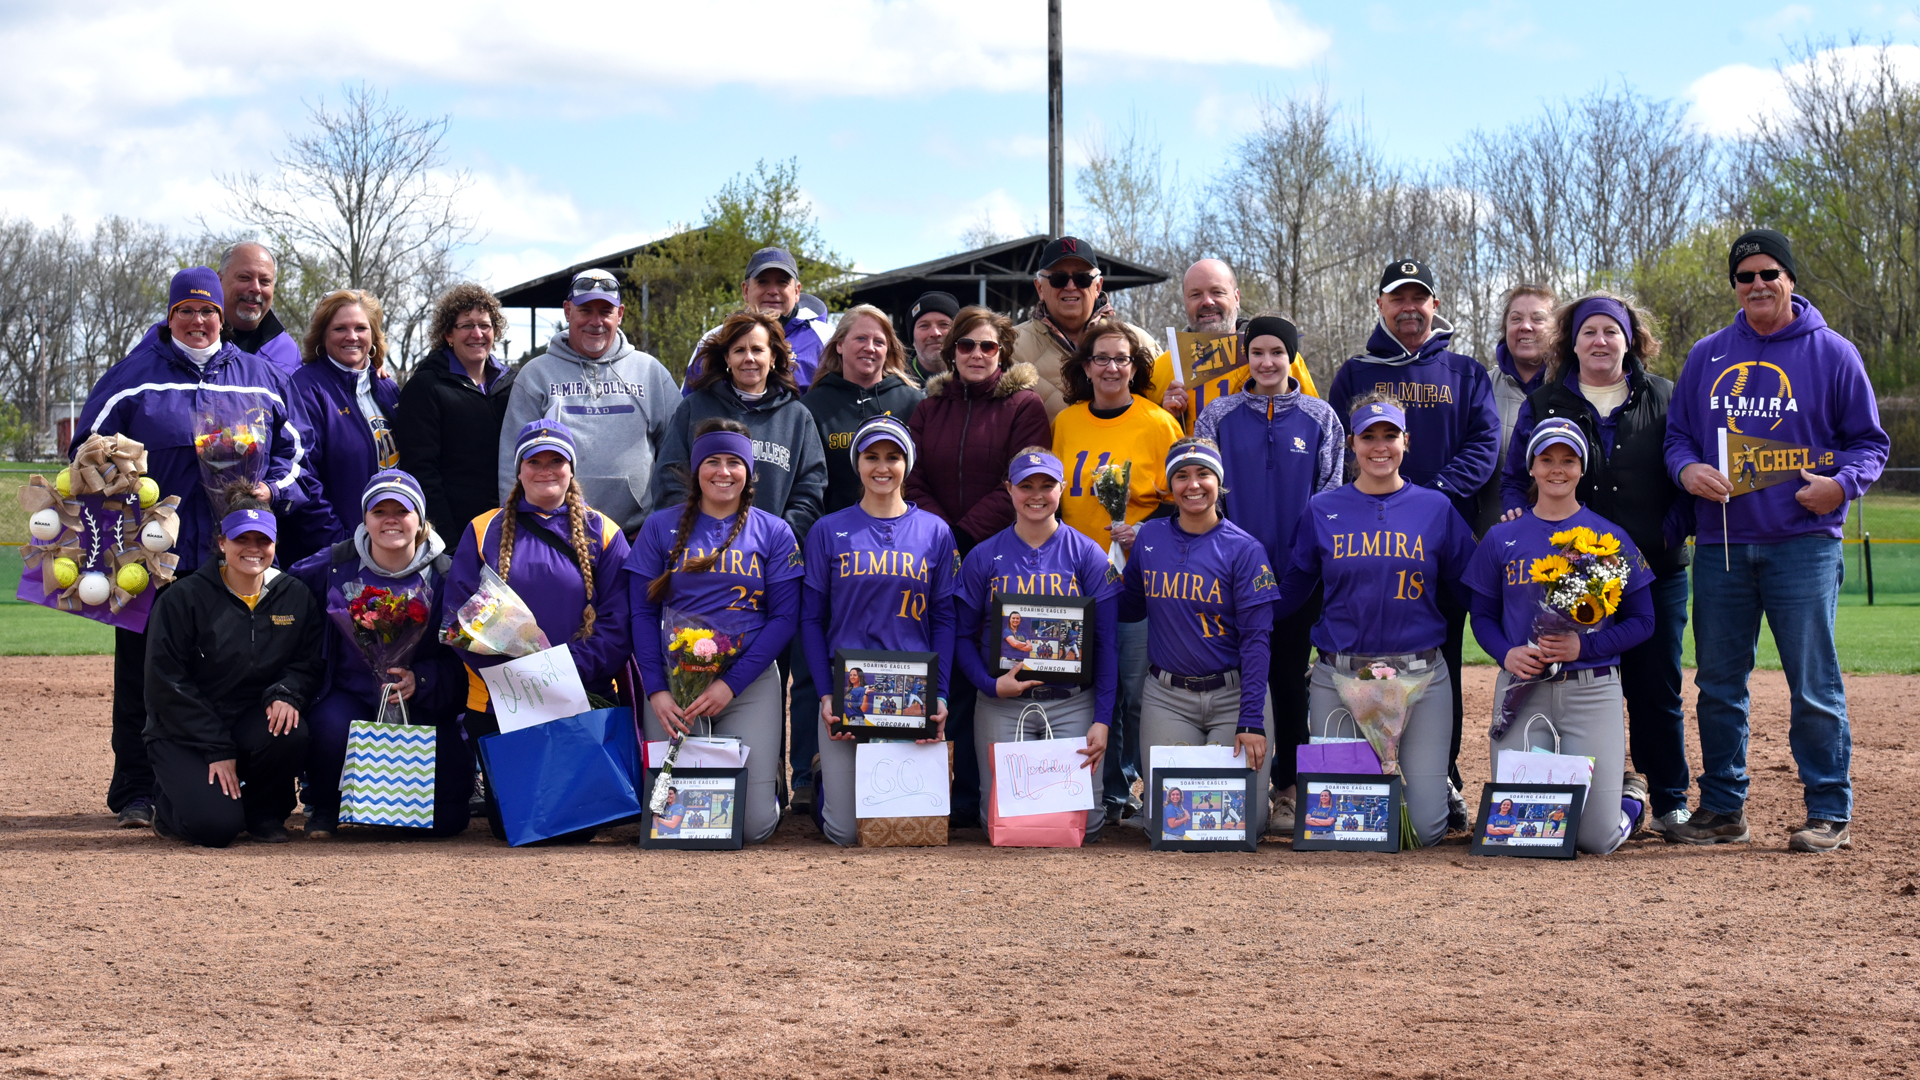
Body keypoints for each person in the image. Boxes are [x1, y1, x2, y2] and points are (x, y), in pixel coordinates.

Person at [1664, 229, 1890, 852]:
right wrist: (1686, 471)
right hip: (1722, 543)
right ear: (1734, 286)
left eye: (1769, 273)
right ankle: (1722, 807)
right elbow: (1678, 437)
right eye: (1745, 277)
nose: (1758, 284)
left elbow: (1870, 444)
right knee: (1717, 683)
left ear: (1789, 278)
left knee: (1812, 683)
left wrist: (1840, 488)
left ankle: (1827, 810)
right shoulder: (1708, 354)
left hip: (1804, 541)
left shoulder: (1833, 353)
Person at [75, 266, 305, 829]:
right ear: (170, 315)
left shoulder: (260, 376)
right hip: (149, 558)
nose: (198, 322)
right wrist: (116, 476)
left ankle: (235, 780)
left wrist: (270, 489)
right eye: (187, 311)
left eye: (208, 312)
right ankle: (135, 788)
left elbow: (298, 452)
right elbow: (86, 450)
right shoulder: (134, 378)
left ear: (222, 315)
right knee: (145, 669)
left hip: (233, 554)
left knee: (232, 668)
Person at [1502, 293, 1693, 839]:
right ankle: (1568, 787)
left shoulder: (1662, 396)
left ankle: (1668, 798)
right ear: (1572, 341)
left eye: (1612, 330)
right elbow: (1516, 477)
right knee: (1569, 679)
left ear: (1630, 339)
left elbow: (1684, 474)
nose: (1601, 341)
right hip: (1569, 577)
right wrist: (1519, 515)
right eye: (1589, 332)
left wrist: (1663, 536)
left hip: (1653, 568)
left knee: (1655, 685)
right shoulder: (1547, 400)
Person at [1326, 258, 1499, 825]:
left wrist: (1428, 499)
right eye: (1398, 298)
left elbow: (1484, 444)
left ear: (1436, 303)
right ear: (1380, 305)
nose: (1409, 307)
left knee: (1439, 655)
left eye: (1418, 297)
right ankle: (1359, 778)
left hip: (1440, 537)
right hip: (1363, 537)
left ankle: (1441, 778)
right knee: (1357, 643)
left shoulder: (1467, 372)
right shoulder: (1356, 371)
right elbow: (1339, 441)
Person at [1271, 396, 1478, 847]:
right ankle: (1385, 793)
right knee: (1342, 828)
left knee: (1424, 832)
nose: (1379, 446)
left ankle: (1423, 790)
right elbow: (1293, 590)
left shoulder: (1435, 508)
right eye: (1368, 436)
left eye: (1389, 435)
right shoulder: (1323, 509)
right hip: (1341, 679)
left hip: (1421, 677)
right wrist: (1237, 612)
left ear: (1407, 441)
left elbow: (1471, 589)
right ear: (1352, 444)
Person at [1466, 421, 1656, 855]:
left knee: (1596, 839)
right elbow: (1481, 617)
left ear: (1581, 467)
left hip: (1590, 689)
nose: (1557, 469)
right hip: (1521, 688)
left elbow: (1643, 621)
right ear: (1531, 467)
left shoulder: (1608, 538)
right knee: (1518, 832)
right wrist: (1505, 653)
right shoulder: (1502, 536)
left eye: (1568, 460)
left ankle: (1630, 799)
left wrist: (1583, 646)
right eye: (1546, 459)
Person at [447, 420, 633, 841]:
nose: (545, 470)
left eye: (557, 461)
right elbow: (457, 619)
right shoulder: (482, 529)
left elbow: (619, 626)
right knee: (514, 826)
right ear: (519, 469)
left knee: (575, 828)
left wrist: (561, 672)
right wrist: (518, 677)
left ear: (572, 469)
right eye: (535, 461)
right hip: (499, 703)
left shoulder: (604, 532)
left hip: (580, 698)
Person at [1195, 315, 1343, 832]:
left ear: (1291, 357)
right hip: (1231, 576)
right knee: (1239, 676)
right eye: (1256, 351)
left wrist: (1304, 566)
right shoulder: (1218, 415)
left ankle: (1288, 789)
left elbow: (1329, 497)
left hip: (1300, 578)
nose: (1266, 361)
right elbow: (1204, 491)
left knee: (1288, 681)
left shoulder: (1321, 417)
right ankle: (1230, 784)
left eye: (1277, 352)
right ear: (1246, 357)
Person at [627, 419, 804, 845]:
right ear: (695, 469)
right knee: (673, 820)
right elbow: (640, 613)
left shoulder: (774, 531)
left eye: (734, 462)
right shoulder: (660, 526)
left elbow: (784, 619)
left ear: (749, 472)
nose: (723, 471)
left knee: (752, 826)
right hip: (675, 685)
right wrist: (657, 690)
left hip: (748, 684)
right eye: (712, 461)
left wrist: (730, 685)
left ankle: (765, 785)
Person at [1051, 315, 1184, 824]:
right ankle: (1098, 788)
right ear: (1086, 366)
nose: (1111, 367)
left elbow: (1185, 501)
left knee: (1132, 687)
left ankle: (1131, 785)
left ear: (1135, 367)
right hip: (1076, 578)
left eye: (1121, 359)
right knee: (1086, 686)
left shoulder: (1158, 422)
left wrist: (1143, 533)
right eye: (1101, 358)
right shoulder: (1067, 421)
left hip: (1136, 578)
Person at [802, 415, 957, 846]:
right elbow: (811, 620)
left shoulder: (935, 532)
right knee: (846, 834)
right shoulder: (828, 530)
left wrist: (940, 695)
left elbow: (945, 619)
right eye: (872, 456)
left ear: (908, 464)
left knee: (903, 831)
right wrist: (827, 694)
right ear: (857, 464)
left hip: (911, 690)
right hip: (849, 689)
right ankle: (823, 779)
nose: (882, 467)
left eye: (893, 456)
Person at [291, 469, 471, 840]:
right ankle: (327, 803)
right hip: (350, 696)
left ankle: (390, 810)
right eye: (379, 511)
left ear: (419, 520)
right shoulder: (334, 564)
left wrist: (419, 680)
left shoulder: (447, 574)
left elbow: (465, 660)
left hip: (420, 703)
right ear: (365, 519)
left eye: (402, 511)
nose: (391, 520)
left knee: (449, 818)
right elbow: (285, 590)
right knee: (328, 727)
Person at [954, 450, 1120, 840]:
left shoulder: (1087, 554)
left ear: (1062, 488)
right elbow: (960, 635)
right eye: (1026, 485)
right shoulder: (984, 556)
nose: (1037, 494)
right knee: (1000, 822)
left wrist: (1102, 719)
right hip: (1002, 702)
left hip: (1071, 700)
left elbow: (1107, 642)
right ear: (1009, 489)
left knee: (1087, 827)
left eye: (1047, 485)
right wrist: (989, 684)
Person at [144, 490, 324, 846]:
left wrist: (287, 692)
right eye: (242, 539)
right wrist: (216, 747)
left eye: (263, 540)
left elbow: (309, 661)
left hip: (250, 723)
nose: (253, 548)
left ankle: (264, 813)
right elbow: (164, 682)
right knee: (216, 829)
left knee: (290, 728)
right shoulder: (183, 597)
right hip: (185, 732)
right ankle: (167, 808)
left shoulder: (295, 595)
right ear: (221, 542)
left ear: (275, 545)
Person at [1122, 437, 1278, 837]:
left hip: (1234, 694)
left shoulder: (1244, 550)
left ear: (1219, 482)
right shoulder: (1150, 539)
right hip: (1168, 697)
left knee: (1244, 825)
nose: (1193, 485)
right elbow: (1130, 607)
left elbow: (1257, 641)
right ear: (1170, 486)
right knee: (1165, 825)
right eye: (1181, 476)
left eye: (1203, 474)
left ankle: (1268, 797)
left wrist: (1251, 720)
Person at [498, 268, 679, 535]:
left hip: (637, 537)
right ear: (568, 311)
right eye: (585, 310)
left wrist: (666, 526)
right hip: (556, 535)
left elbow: (677, 458)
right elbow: (510, 463)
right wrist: (518, 529)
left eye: (605, 311)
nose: (596, 321)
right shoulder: (536, 375)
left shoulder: (652, 373)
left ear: (620, 314)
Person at [651, 309, 827, 545]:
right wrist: (696, 535)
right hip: (698, 548)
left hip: (771, 556)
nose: (749, 358)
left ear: (773, 356)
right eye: (739, 350)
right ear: (727, 358)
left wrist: (781, 543)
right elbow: (670, 477)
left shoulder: (797, 418)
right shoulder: (694, 408)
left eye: (757, 349)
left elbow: (810, 490)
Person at [905, 306, 1052, 555]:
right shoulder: (928, 409)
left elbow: (1025, 479)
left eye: (987, 347)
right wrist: (943, 533)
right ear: (952, 351)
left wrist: (966, 534)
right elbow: (911, 477)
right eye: (966, 345)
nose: (977, 354)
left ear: (1001, 353)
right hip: (933, 546)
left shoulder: (1024, 405)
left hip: (1004, 548)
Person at [283, 289, 402, 566]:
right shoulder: (304, 388)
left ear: (372, 335)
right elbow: (302, 479)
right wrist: (342, 544)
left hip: (391, 549)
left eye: (361, 328)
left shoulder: (387, 389)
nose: (352, 337)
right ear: (323, 337)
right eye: (340, 328)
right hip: (334, 556)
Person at [395, 282, 517, 539]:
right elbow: (421, 470)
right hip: (456, 534)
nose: (477, 333)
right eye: (466, 325)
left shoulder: (513, 385)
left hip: (510, 528)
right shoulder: (426, 387)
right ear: (448, 334)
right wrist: (447, 540)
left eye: (485, 325)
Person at [1155, 259, 1318, 428]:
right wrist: (1164, 417)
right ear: (1184, 302)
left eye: (1217, 292)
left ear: (1237, 297)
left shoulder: (1283, 359)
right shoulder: (1161, 369)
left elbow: (1314, 426)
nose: (1207, 302)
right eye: (1195, 294)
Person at [1010, 236, 1160, 420]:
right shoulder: (1009, 347)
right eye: (1059, 279)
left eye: (1082, 279)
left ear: (1098, 286)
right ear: (1040, 288)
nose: (1071, 286)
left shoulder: (1140, 343)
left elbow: (1163, 412)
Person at [801, 304, 926, 514]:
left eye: (879, 342)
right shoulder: (812, 407)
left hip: (901, 533)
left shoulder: (914, 403)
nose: (870, 347)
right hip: (835, 533)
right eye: (861, 338)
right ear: (839, 345)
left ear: (887, 350)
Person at [683, 247, 835, 392]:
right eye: (762, 282)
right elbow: (688, 403)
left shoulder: (827, 338)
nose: (773, 291)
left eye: (782, 282)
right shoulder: (715, 339)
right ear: (746, 290)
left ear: (796, 291)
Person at [1475, 286, 1555, 536]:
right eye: (1516, 318)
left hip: (1565, 543)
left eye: (1538, 318)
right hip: (1492, 538)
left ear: (1558, 330)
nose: (1526, 327)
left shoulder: (1574, 390)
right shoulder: (1480, 388)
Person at [218, 242, 299, 375]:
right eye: (244, 278)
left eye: (265, 281)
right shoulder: (191, 335)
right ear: (219, 279)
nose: (256, 288)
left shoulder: (287, 351)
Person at [905, 290, 959, 384]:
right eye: (924, 326)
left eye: (944, 324)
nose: (935, 333)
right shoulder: (895, 388)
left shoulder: (977, 382)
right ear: (912, 338)